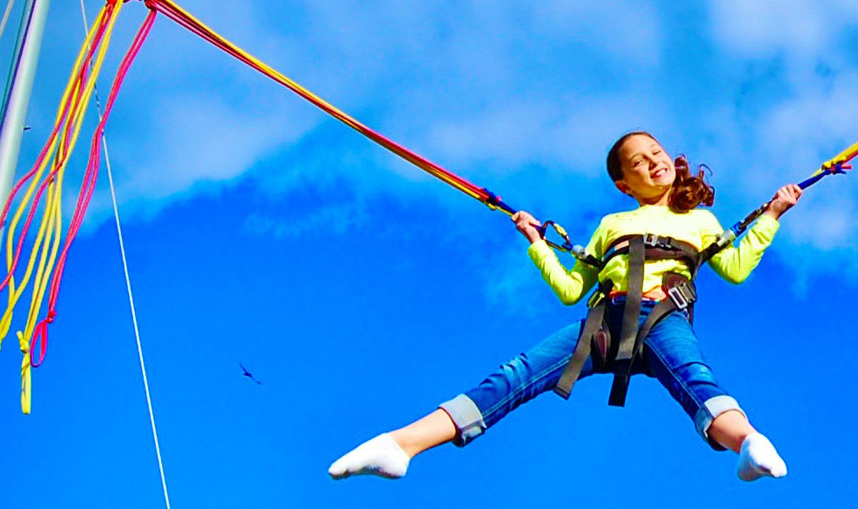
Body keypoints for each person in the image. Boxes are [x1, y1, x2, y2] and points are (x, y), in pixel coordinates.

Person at [327, 131, 800, 483]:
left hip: (662, 317)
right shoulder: (612, 223)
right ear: (623, 182)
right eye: (639, 162)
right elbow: (573, 288)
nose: (653, 162)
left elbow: (736, 267)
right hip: (603, 322)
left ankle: (749, 444)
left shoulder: (699, 221)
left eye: (656, 153)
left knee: (696, 383)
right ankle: (400, 446)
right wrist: (537, 243)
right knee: (514, 374)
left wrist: (772, 215)